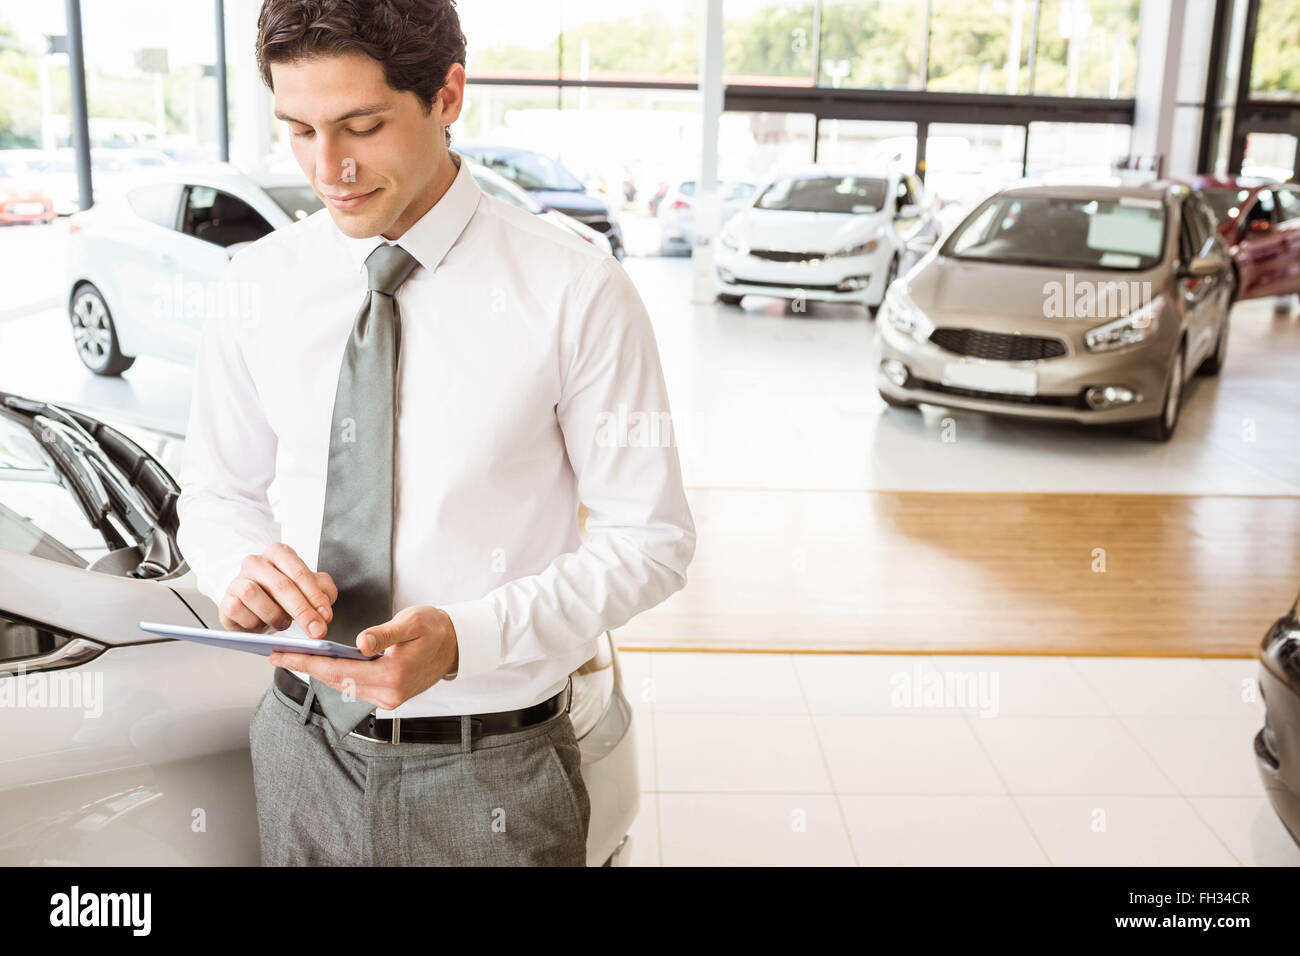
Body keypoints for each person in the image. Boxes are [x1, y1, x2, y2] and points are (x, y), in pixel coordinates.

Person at [176, 0, 695, 866]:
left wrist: (465, 640)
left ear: (448, 95)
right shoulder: (257, 283)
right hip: (300, 747)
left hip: (490, 773)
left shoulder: (574, 289)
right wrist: (240, 566)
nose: (328, 167)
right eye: (298, 130)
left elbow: (653, 542)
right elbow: (217, 493)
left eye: (361, 126)